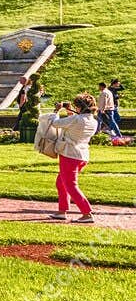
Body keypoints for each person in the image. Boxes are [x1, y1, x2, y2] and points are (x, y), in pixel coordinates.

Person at [46, 93, 99, 222]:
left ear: (79, 107)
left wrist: (57, 110)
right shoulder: (93, 121)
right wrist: (71, 112)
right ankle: (62, 211)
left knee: (70, 185)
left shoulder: (76, 119)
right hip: (82, 155)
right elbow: (74, 124)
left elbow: (55, 123)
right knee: (61, 183)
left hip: (69, 154)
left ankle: (87, 213)